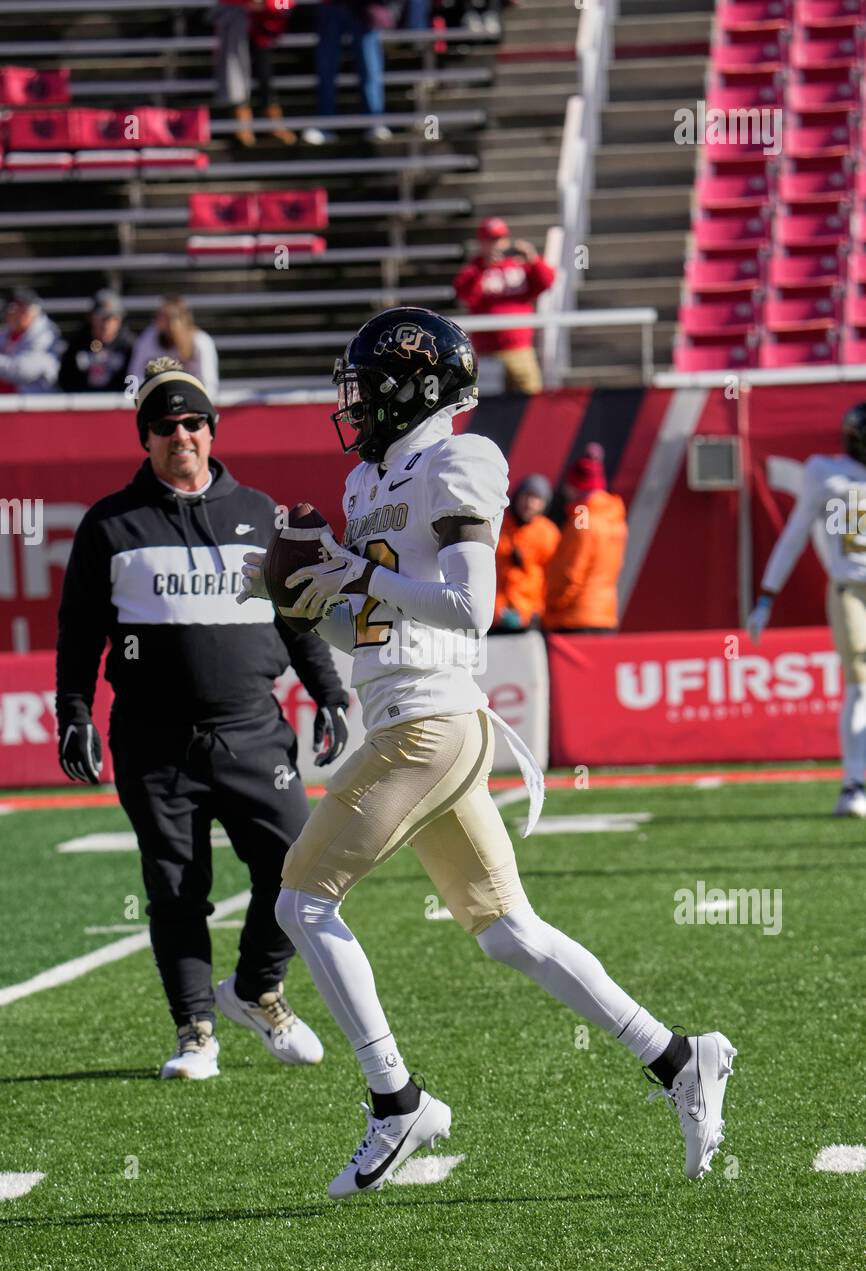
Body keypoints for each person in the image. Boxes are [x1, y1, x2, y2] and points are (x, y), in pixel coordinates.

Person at [239, 306, 736, 1199]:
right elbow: (381, 625)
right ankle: (677, 1058)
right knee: (509, 932)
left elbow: (470, 605)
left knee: (302, 901)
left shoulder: (461, 458)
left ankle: (396, 1100)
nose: (352, 404)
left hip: (431, 723)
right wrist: (317, 600)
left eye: (364, 384)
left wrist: (357, 576)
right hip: (409, 712)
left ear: (412, 386)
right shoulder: (368, 482)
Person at [56, 358, 350, 1079]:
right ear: (145, 439)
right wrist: (73, 712)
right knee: (176, 887)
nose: (179, 435)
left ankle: (256, 990)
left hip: (252, 728)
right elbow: (77, 629)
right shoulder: (109, 524)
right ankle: (195, 1031)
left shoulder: (259, 511)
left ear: (211, 430)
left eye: (192, 422)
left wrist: (331, 693)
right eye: (164, 426)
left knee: (297, 868)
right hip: (153, 740)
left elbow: (296, 618)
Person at [748, 402, 866, 818]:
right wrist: (767, 594)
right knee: (860, 682)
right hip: (851, 588)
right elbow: (796, 533)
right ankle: (854, 783)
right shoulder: (825, 472)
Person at [452, 217, 555, 395]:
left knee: (530, 398)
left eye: (499, 239)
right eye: (490, 240)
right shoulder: (474, 269)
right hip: (487, 352)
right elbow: (465, 295)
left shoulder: (519, 264)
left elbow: (547, 281)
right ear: (481, 242)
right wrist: (484, 269)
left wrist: (533, 259)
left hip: (520, 350)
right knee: (489, 404)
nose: (495, 245)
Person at [544, 444, 628, 633]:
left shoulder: (582, 521)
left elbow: (571, 573)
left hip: (575, 617)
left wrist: (551, 603)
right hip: (605, 615)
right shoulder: (614, 517)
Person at [302, 1, 393, 146]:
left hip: (362, 6)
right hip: (331, 5)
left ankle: (375, 122)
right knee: (327, 68)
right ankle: (326, 124)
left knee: (369, 66)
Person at [214, 0, 297, 148]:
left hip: (265, 33)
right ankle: (243, 125)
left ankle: (274, 124)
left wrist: (267, 5)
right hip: (237, 28)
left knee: (265, 77)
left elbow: (286, 6)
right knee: (236, 76)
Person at [493, 473, 560, 630]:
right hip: (493, 612)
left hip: (528, 616)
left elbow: (552, 579)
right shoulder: (497, 524)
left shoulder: (548, 534)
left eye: (537, 499)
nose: (530, 504)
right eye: (527, 496)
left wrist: (536, 613)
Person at [129, 296, 219, 400]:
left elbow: (209, 383)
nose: (159, 321)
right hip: (155, 400)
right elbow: (134, 375)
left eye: (168, 317)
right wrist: (135, 399)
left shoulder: (201, 341)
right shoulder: (148, 338)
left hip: (190, 400)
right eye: (159, 316)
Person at [58, 289, 135, 393]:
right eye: (101, 317)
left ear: (120, 319)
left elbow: (134, 382)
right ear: (91, 318)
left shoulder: (129, 346)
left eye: (111, 317)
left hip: (118, 405)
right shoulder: (77, 343)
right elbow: (65, 379)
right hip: (82, 404)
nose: (105, 324)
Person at [0, 286, 62, 394]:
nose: (17, 314)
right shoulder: (7, 332)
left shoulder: (46, 333)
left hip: (39, 403)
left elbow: (23, 371)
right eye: (13, 308)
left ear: (35, 311)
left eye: (23, 309)